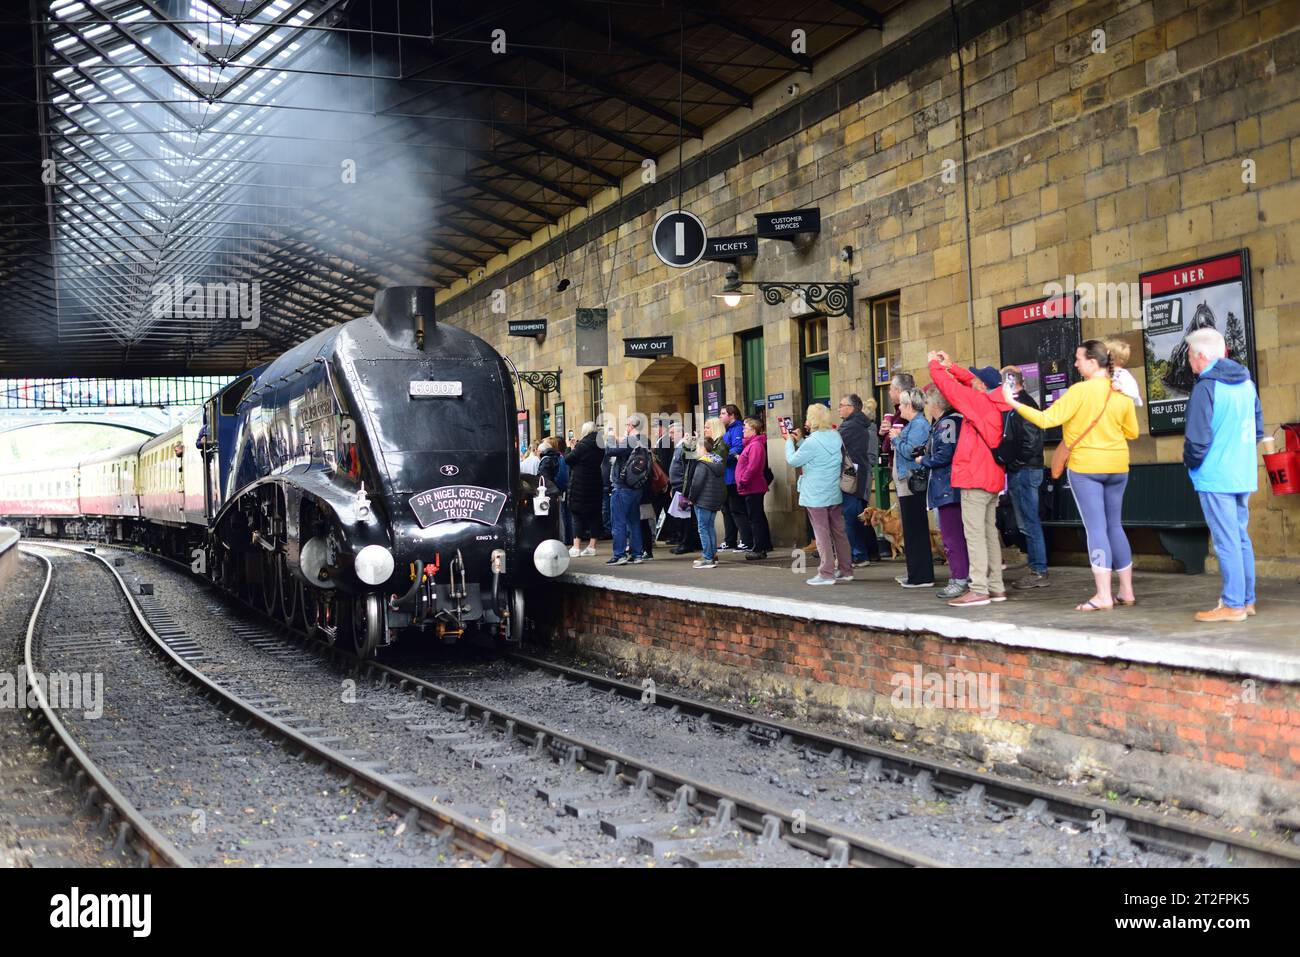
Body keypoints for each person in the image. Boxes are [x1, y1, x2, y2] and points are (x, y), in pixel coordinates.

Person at [999, 340, 1139, 612]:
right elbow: (1132, 432)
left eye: (1078, 359)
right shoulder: (1120, 391)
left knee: (1096, 529)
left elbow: (1044, 420)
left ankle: (1103, 595)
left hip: (1087, 468)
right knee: (1114, 526)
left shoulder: (1079, 391)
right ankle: (1126, 591)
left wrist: (1011, 403)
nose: (1075, 364)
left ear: (1092, 362)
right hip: (1118, 466)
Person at [1181, 328, 1265, 622]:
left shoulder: (1206, 387)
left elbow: (1198, 439)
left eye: (1191, 356)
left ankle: (1233, 605)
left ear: (1202, 356)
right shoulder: (1247, 384)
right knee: (1240, 537)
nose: (1190, 362)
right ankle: (1247, 600)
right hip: (1242, 473)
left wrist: (1191, 463)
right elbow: (1258, 429)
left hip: (1215, 475)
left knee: (1225, 540)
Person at [927, 355, 1010, 606]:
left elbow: (949, 388)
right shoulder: (998, 401)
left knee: (973, 536)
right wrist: (953, 366)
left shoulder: (978, 403)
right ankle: (996, 586)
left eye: (976, 379)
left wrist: (936, 365)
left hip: (975, 477)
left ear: (982, 386)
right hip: (993, 476)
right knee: (988, 535)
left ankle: (979, 589)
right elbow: (970, 382)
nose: (971, 380)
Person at [786, 404, 852, 585]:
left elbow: (793, 460)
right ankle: (845, 570)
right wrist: (800, 442)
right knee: (839, 531)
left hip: (815, 495)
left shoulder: (812, 441)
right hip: (833, 491)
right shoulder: (835, 436)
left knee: (821, 533)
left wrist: (788, 442)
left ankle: (826, 573)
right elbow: (817, 454)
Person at [999, 366, 1049, 589]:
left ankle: (1038, 570)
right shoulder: (1021, 403)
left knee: (1029, 521)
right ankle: (1036, 566)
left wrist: (1015, 464)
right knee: (1025, 522)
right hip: (1024, 469)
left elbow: (1031, 442)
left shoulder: (1023, 404)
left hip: (1025, 470)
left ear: (1010, 382)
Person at [920, 387, 968, 599]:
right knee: (959, 534)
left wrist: (923, 460)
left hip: (948, 487)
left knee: (952, 536)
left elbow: (944, 454)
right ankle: (965, 576)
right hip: (954, 485)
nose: (927, 407)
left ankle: (959, 578)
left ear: (935, 404)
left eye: (928, 402)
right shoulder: (952, 421)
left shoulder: (947, 423)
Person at [891, 388, 934, 588]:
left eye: (901, 404)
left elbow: (910, 451)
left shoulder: (919, 425)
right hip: (907, 481)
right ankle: (914, 573)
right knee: (911, 528)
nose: (899, 408)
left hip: (912, 482)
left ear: (909, 405)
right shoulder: (914, 425)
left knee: (914, 527)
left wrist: (895, 438)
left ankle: (921, 575)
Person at [837, 393, 880, 567]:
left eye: (841, 405)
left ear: (851, 408)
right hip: (861, 476)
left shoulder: (850, 426)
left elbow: (834, 445)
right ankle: (872, 551)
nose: (839, 408)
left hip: (851, 478)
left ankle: (859, 554)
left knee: (851, 515)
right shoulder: (863, 424)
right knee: (862, 514)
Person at [602, 417, 645, 565]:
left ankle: (619, 554)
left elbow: (609, 451)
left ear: (631, 425)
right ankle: (637, 554)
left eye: (626, 424)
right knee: (633, 521)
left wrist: (610, 437)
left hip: (622, 487)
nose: (625, 427)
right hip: (636, 487)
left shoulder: (630, 440)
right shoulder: (643, 440)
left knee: (618, 522)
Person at [686, 433, 726, 569]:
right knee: (710, 527)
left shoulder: (702, 464)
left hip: (702, 500)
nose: (696, 449)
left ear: (703, 448)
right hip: (714, 501)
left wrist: (691, 498)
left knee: (703, 528)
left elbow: (697, 484)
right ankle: (713, 554)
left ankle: (708, 557)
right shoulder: (718, 462)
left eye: (697, 447)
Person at [735, 417, 772, 560]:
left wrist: (743, 480)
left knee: (755, 519)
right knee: (756, 517)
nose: (743, 430)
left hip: (753, 487)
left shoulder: (755, 445)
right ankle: (761, 546)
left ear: (754, 430)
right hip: (750, 487)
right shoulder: (751, 445)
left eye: (746, 428)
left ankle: (759, 548)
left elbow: (753, 467)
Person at [565, 421, 603, 557]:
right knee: (594, 515)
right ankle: (592, 546)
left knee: (577, 514)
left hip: (580, 483)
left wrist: (570, 447)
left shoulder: (582, 445)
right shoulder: (600, 444)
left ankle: (576, 547)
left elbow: (568, 459)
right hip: (595, 482)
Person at [718, 404, 752, 552]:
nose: (720, 416)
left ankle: (746, 540)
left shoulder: (737, 429)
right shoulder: (727, 430)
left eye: (723, 413)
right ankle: (730, 540)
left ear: (732, 415)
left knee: (737, 509)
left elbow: (737, 449)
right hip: (725, 476)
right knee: (726, 509)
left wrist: (720, 457)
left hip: (732, 476)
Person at [668, 425, 701, 555]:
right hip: (677, 486)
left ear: (679, 433)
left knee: (685, 517)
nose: (670, 436)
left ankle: (686, 543)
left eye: (672, 432)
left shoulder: (683, 447)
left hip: (682, 486)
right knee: (683, 516)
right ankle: (689, 541)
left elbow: (686, 468)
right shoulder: (678, 447)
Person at [879, 372, 915, 473]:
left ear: (898, 390)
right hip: (901, 467)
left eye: (891, 389)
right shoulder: (899, 413)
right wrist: (883, 433)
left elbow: (887, 447)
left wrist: (888, 433)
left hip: (905, 469)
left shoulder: (906, 415)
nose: (889, 392)